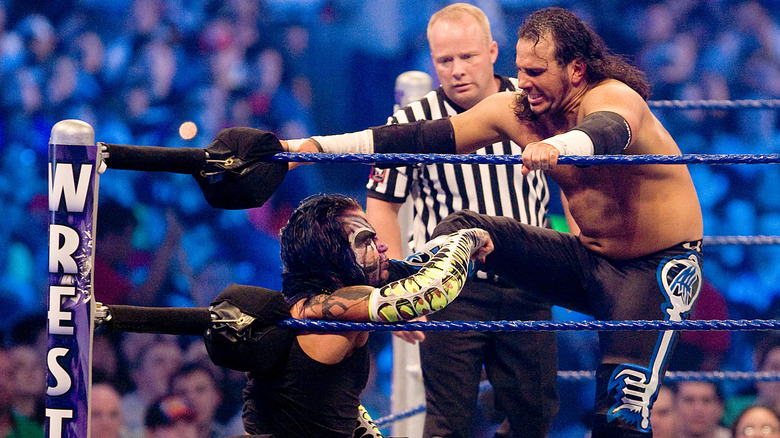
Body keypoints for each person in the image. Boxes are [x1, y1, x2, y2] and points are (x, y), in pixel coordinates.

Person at [274, 6, 703, 436]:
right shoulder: (518, 110)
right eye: (520, 69)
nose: (525, 81)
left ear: (576, 70)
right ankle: (412, 286)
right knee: (460, 226)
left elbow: (608, 130)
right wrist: (306, 146)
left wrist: (562, 145)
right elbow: (419, 138)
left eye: (535, 71)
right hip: (587, 260)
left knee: (619, 415)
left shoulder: (612, 96)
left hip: (655, 269)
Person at [365, 4, 557, 437]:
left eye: (467, 57)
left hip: (528, 279)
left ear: (492, 51)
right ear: (432, 61)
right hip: (451, 288)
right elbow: (380, 204)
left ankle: (500, 393)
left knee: (536, 416)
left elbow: (578, 178)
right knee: (448, 422)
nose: (456, 70)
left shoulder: (534, 106)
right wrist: (398, 291)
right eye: (444, 60)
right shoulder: (412, 122)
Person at [238, 194, 491, 438]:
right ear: (334, 255)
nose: (382, 246)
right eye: (365, 240)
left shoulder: (335, 297)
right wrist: (470, 237)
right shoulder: (328, 310)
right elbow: (434, 290)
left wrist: (470, 252)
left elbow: (418, 267)